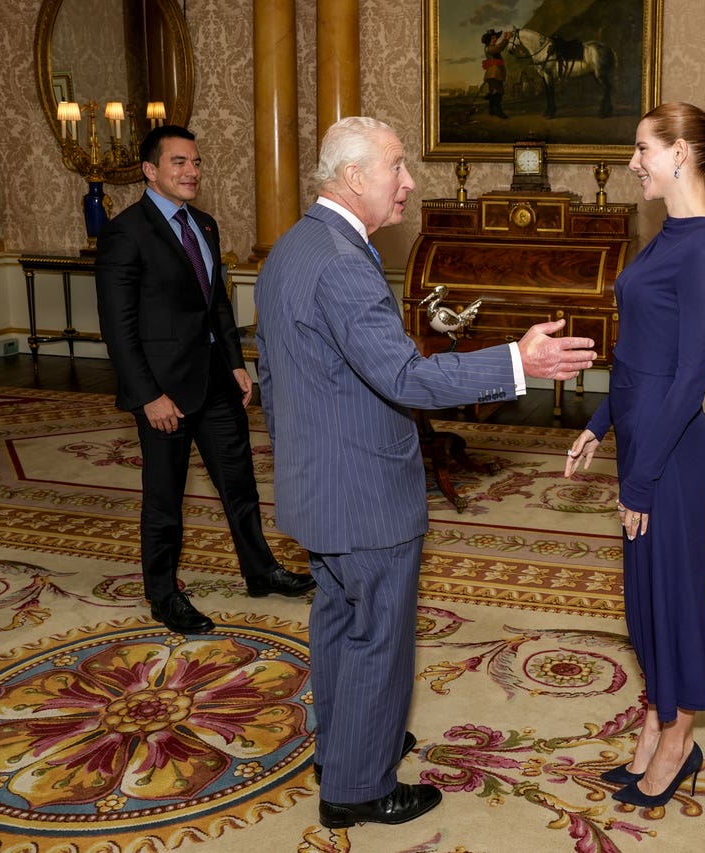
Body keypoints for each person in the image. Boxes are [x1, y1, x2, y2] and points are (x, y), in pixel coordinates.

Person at [254, 116, 596, 828]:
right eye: (397, 167)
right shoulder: (345, 262)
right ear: (354, 179)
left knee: (338, 616)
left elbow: (276, 375)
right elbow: (405, 376)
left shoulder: (293, 245)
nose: (409, 182)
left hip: (318, 481)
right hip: (365, 490)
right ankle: (359, 786)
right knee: (379, 631)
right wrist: (516, 362)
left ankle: (345, 744)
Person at [564, 102, 705, 808]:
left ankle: (679, 737)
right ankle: (656, 717)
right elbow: (640, 353)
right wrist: (602, 422)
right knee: (642, 600)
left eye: (641, 149)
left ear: (679, 155)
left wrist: (637, 478)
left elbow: (689, 377)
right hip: (639, 438)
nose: (633, 162)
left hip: (669, 451)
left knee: (674, 595)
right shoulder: (666, 234)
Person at [95, 124, 315, 636]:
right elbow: (117, 327)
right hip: (164, 392)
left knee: (239, 483)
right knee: (165, 497)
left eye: (195, 162)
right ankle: (164, 594)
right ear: (151, 171)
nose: (191, 171)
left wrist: (237, 362)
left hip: (215, 381)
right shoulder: (125, 232)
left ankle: (260, 571)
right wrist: (149, 395)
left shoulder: (206, 225)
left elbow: (216, 302)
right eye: (179, 162)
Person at [480, 28, 512, 119]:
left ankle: (491, 110)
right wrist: (506, 39)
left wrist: (505, 38)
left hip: (495, 74)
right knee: (498, 93)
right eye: (493, 38)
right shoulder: (490, 48)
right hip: (494, 74)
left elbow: (498, 46)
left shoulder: (491, 47)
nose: (495, 39)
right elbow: (499, 47)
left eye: (495, 37)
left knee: (494, 92)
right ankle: (498, 112)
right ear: (489, 39)